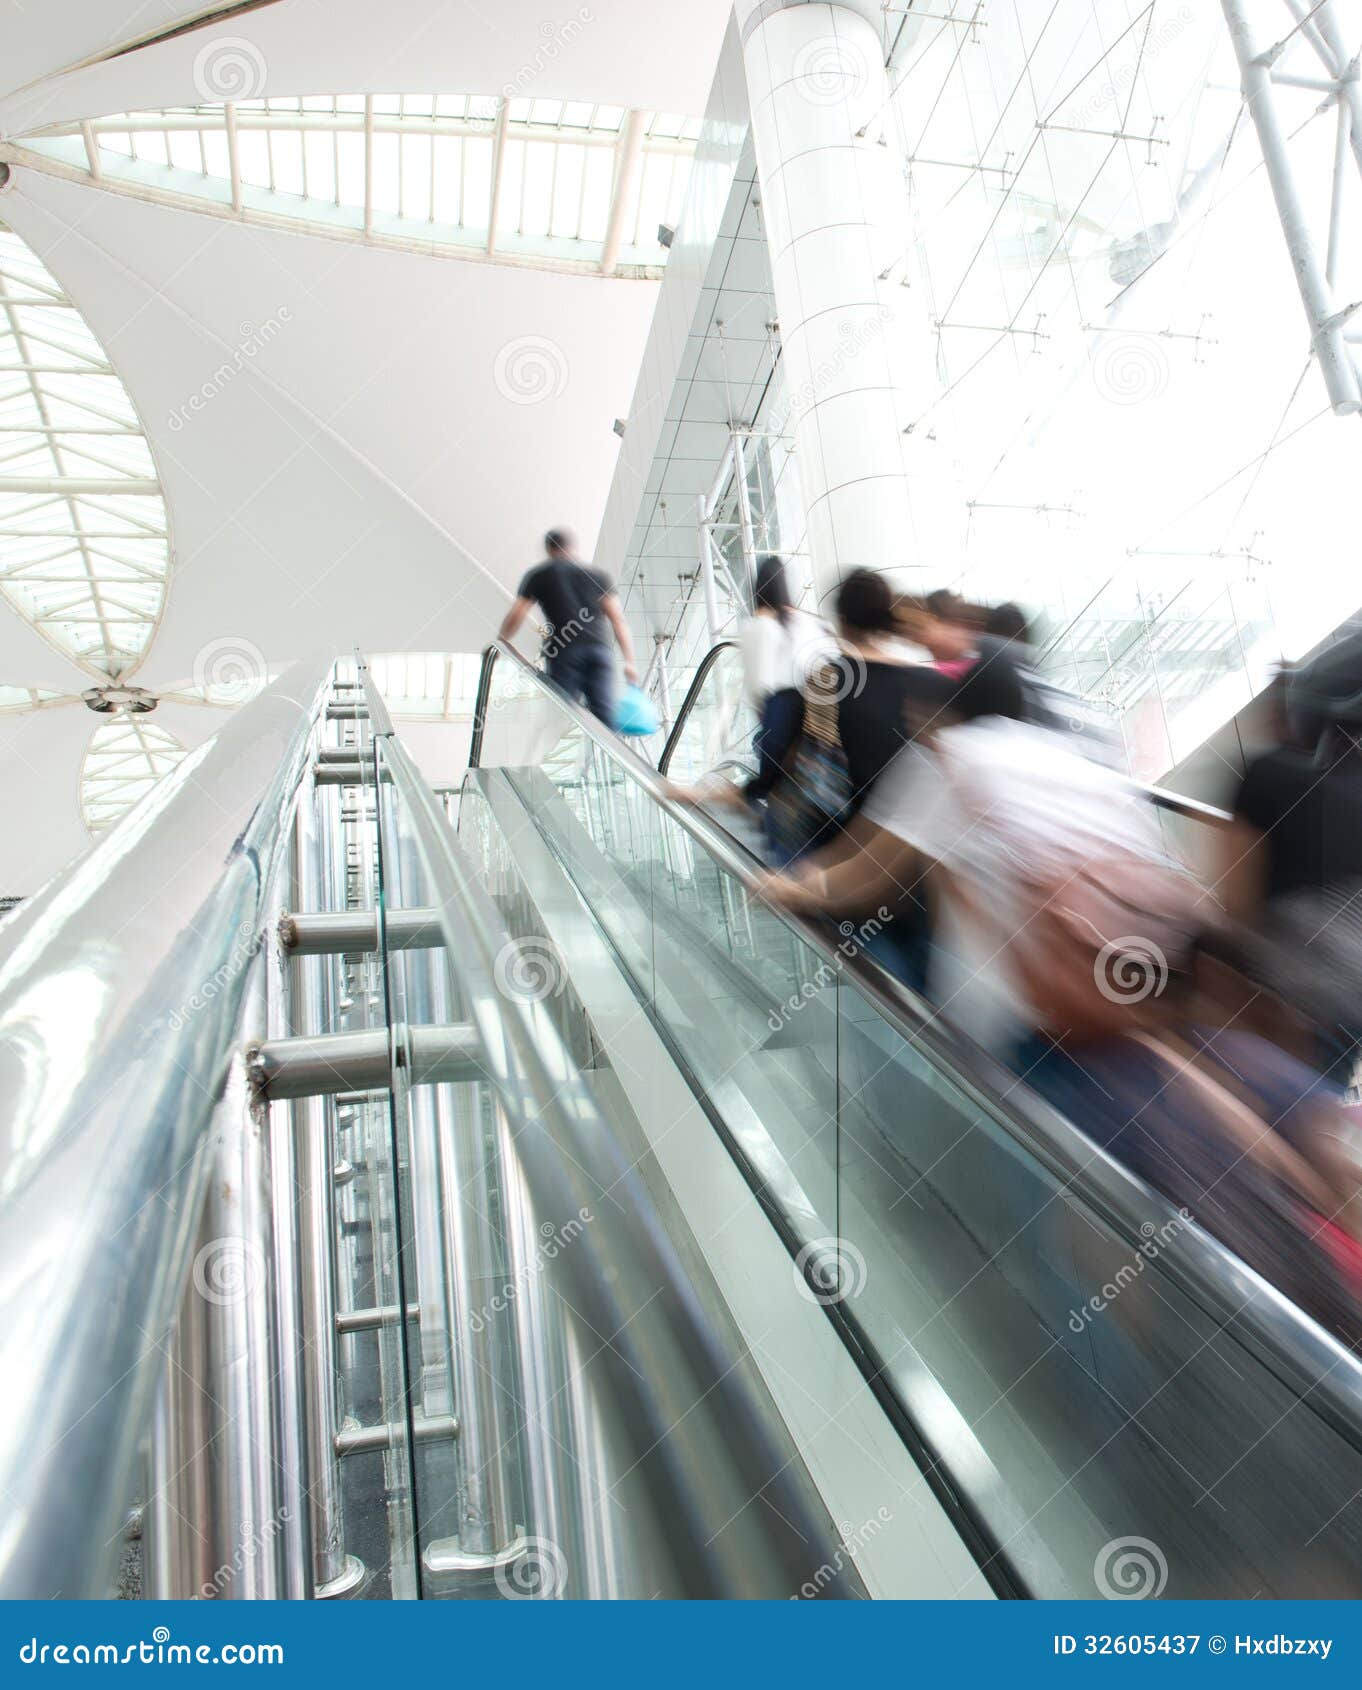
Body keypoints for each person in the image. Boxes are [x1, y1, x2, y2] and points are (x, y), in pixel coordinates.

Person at [498, 529, 638, 726]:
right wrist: (630, 662)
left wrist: (502, 640)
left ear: (549, 549)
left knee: (560, 714)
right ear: (572, 548)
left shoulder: (538, 575)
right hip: (600, 651)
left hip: (564, 651)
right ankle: (608, 753)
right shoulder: (597, 575)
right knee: (604, 717)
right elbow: (618, 620)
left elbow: (518, 614)